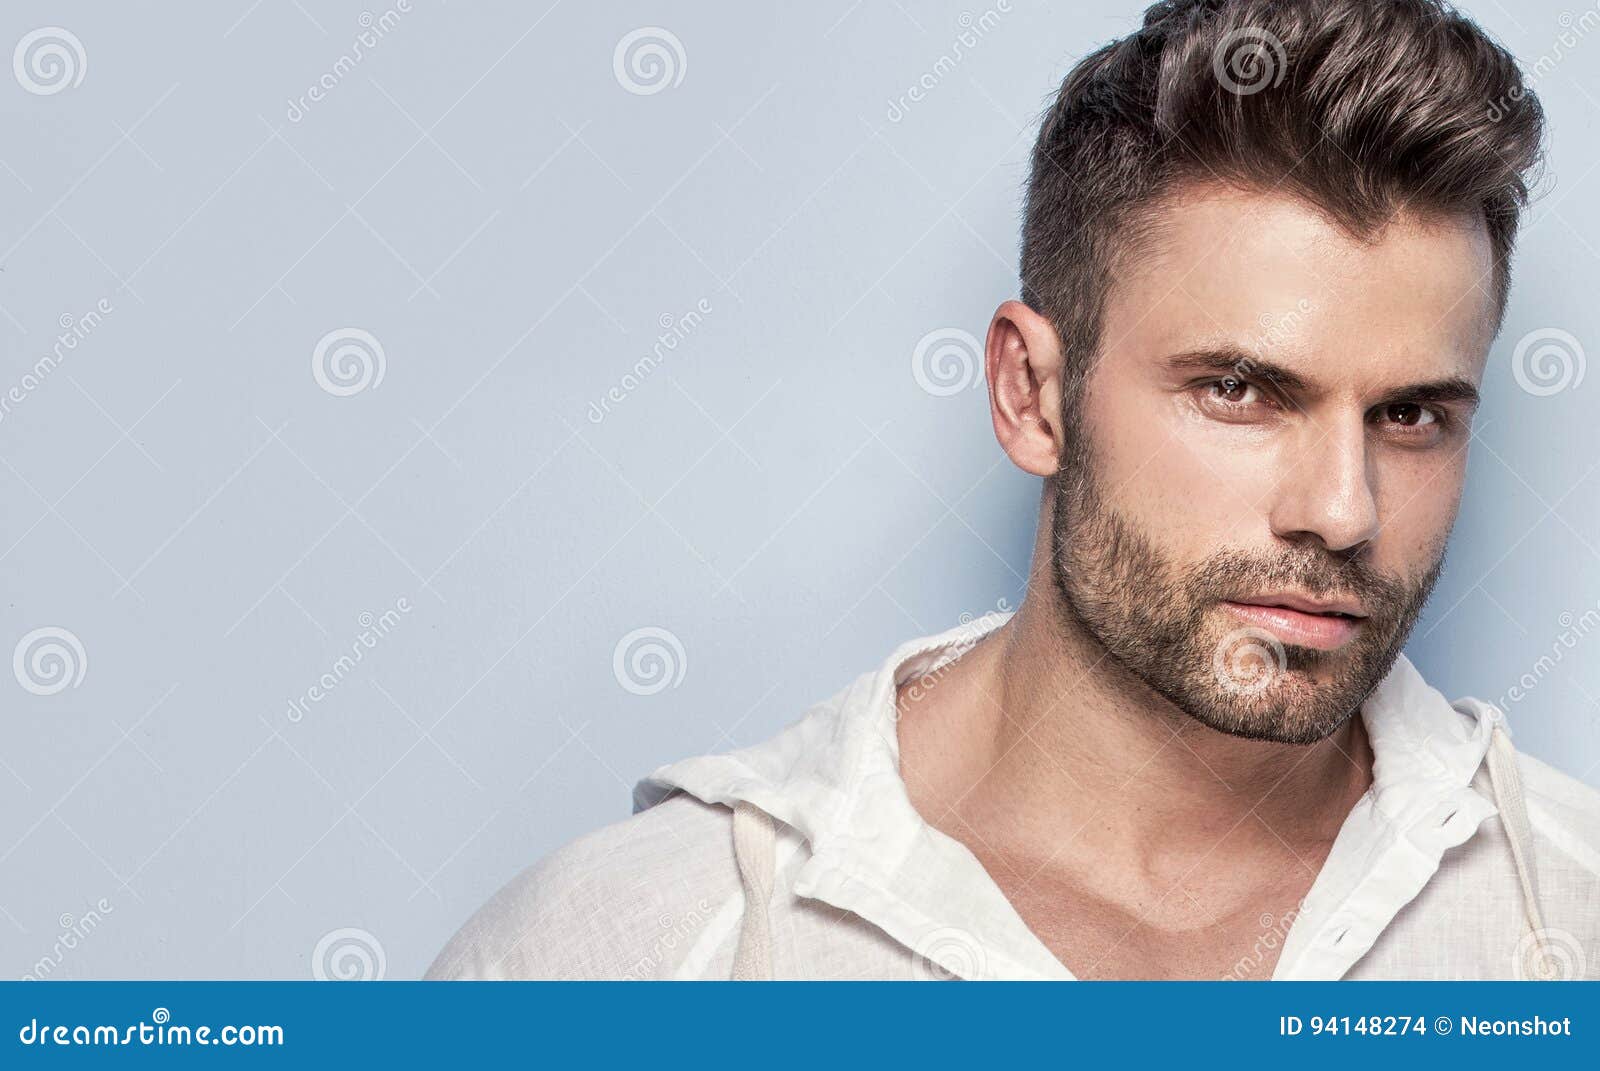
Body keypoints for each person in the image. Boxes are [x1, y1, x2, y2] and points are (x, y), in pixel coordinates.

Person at [427, 0, 1599, 980]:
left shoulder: (1570, 923)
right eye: (1240, 391)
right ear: (1030, 394)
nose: (1342, 512)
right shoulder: (635, 956)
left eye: (1409, 417)